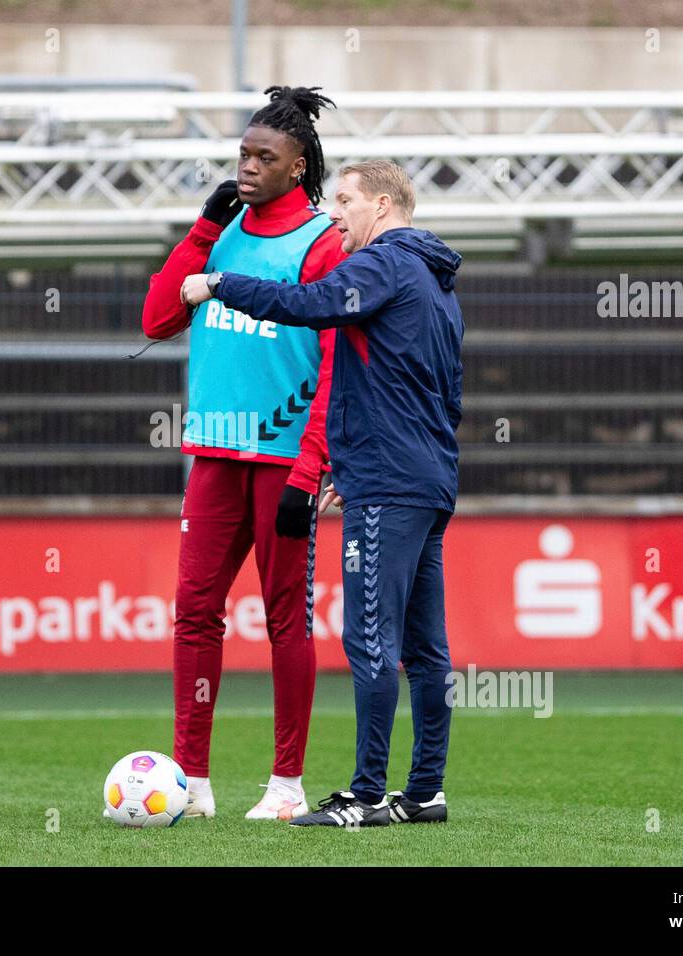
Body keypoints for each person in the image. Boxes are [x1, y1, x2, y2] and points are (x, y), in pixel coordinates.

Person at [180, 159, 464, 828]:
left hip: (387, 484)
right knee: (425, 648)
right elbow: (442, 391)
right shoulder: (434, 279)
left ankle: (366, 796)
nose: (333, 212)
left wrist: (218, 282)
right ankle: (424, 792)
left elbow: (308, 306)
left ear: (384, 207)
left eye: (344, 200)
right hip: (425, 479)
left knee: (370, 638)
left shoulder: (381, 264)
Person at [141, 86, 347, 821]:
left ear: (299, 169)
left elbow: (333, 365)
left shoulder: (322, 242)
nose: (249, 168)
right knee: (195, 611)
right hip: (214, 457)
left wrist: (310, 467)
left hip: (282, 464)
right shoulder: (221, 234)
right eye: (244, 154)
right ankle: (190, 782)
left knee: (286, 618)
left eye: (267, 157)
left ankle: (286, 785)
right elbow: (160, 318)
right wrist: (201, 229)